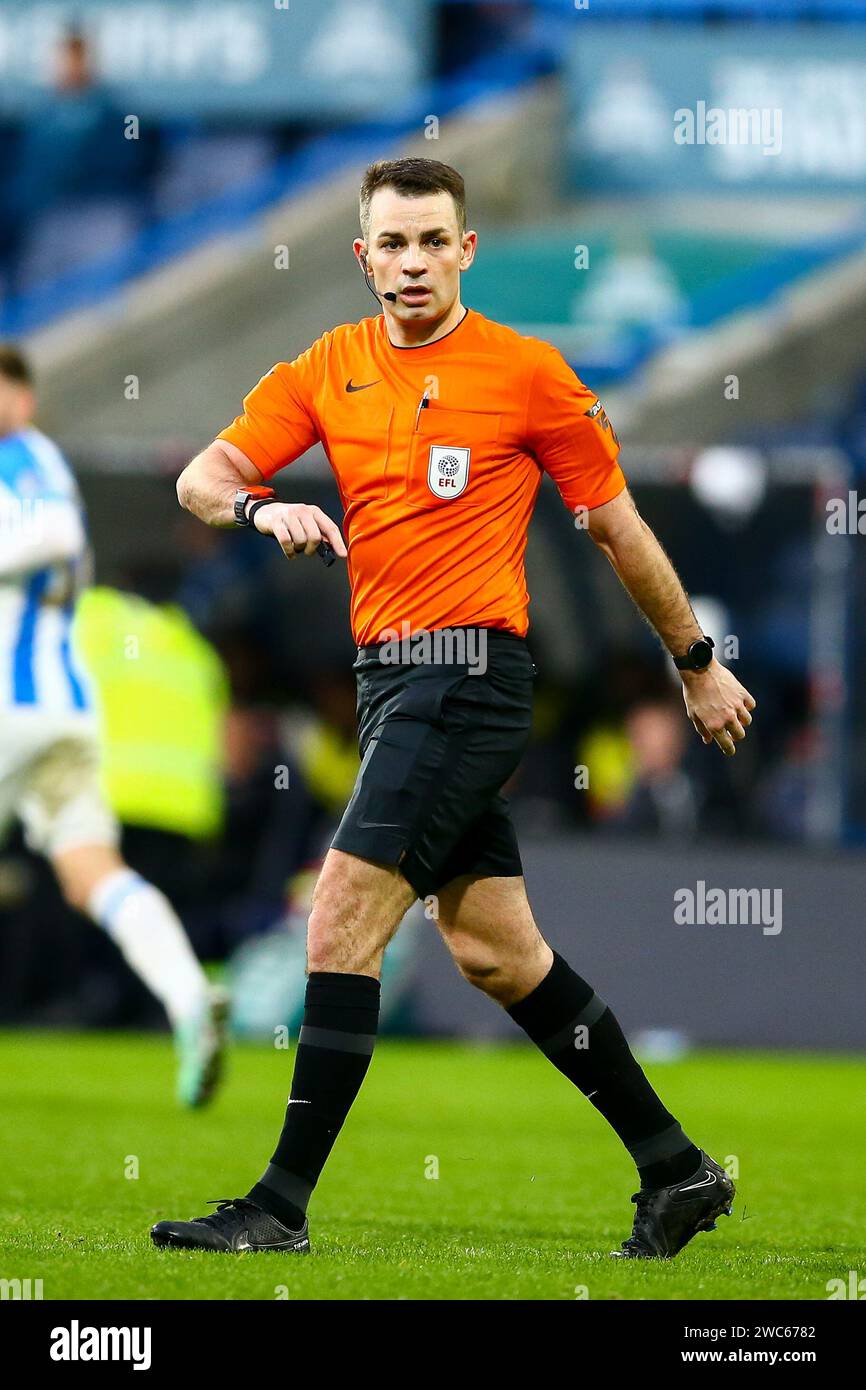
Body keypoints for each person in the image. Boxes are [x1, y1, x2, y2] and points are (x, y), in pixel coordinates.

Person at [152, 158, 756, 1259]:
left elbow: (616, 527)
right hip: (390, 684)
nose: (414, 262)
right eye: (393, 243)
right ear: (363, 256)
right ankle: (674, 1169)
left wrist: (693, 660)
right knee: (494, 952)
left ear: (466, 250)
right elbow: (201, 473)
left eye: (434, 240)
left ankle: (276, 1206)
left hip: (468, 678)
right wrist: (256, 506)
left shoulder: (524, 374)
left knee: (338, 911)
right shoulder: (327, 366)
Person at [0, 345, 226, 1106]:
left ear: (25, 401)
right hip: (63, 716)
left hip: (11, 709)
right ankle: (190, 996)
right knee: (90, 872)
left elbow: (58, 532)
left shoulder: (25, 461)